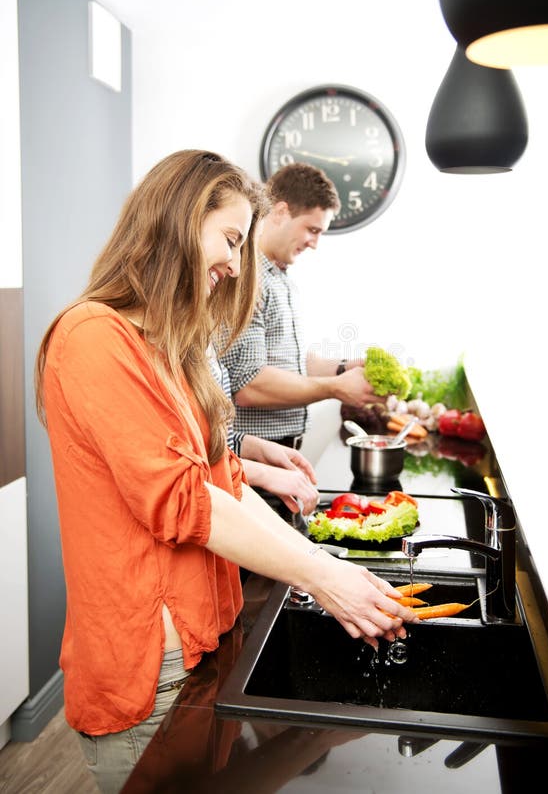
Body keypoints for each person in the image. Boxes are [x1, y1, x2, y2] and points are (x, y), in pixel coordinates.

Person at [35, 150, 418, 793]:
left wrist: (312, 734)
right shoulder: (93, 337)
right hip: (148, 666)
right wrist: (325, 575)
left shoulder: (167, 346)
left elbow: (211, 474)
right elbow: (185, 497)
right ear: (177, 221)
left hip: (203, 646)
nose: (236, 265)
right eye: (231, 240)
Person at [220, 162, 384, 449]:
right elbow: (249, 384)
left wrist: (344, 368)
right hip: (253, 450)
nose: (315, 243)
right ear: (281, 212)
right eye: (312, 229)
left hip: (281, 447)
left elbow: (290, 363)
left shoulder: (280, 279)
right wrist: (336, 389)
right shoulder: (246, 279)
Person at [210, 350, 319, 515]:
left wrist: (251, 446)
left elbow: (209, 443)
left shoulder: (205, 347)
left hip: (226, 501)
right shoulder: (176, 356)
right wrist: (263, 473)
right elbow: (192, 464)